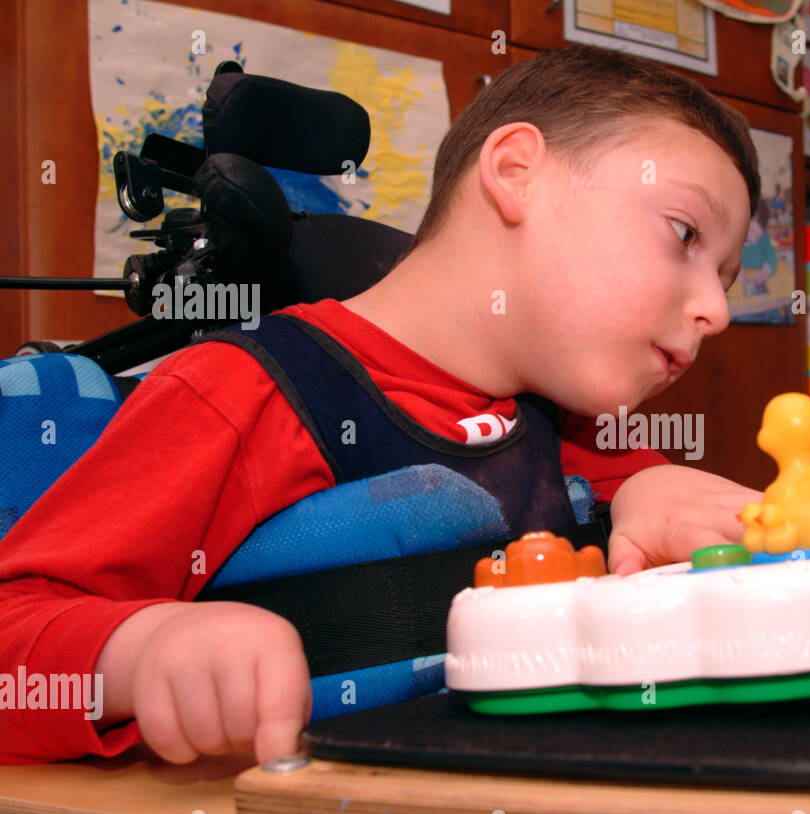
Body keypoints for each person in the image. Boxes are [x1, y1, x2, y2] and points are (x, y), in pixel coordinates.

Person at [0, 45, 763, 765]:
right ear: (517, 170)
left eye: (726, 280)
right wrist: (137, 652)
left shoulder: (574, 418)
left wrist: (648, 486)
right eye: (684, 232)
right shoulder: (241, 394)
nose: (716, 313)